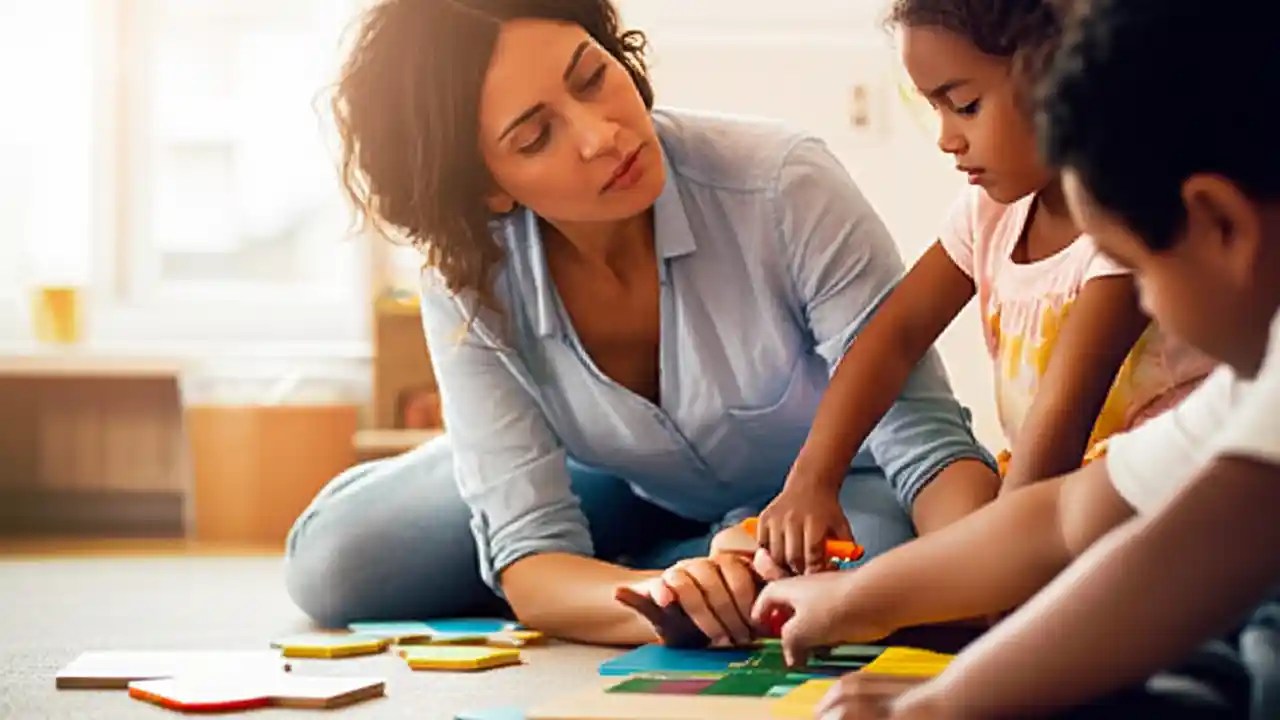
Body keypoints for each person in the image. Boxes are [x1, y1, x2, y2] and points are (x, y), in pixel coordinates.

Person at [284, 0, 999, 647]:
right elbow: (532, 551)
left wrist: (979, 573)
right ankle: (670, 561)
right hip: (617, 480)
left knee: (861, 575)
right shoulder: (471, 276)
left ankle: (675, 568)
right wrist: (666, 595)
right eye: (536, 137)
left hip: (836, 496)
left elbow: (924, 444)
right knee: (338, 563)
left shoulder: (781, 184)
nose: (603, 134)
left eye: (592, 77)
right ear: (487, 188)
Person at [753, 0, 1280, 716]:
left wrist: (948, 702)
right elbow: (1063, 514)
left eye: (1138, 271)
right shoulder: (1253, 393)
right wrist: (851, 601)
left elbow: (1169, 560)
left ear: (1221, 224)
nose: (1145, 306)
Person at [746, 0, 1213, 576]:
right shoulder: (988, 214)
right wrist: (812, 480)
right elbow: (893, 337)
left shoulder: (1123, 228)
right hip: (1049, 495)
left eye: (965, 105)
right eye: (933, 108)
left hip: (1158, 501)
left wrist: (988, 567)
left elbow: (1061, 421)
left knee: (938, 588)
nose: (946, 138)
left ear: (1062, 76)